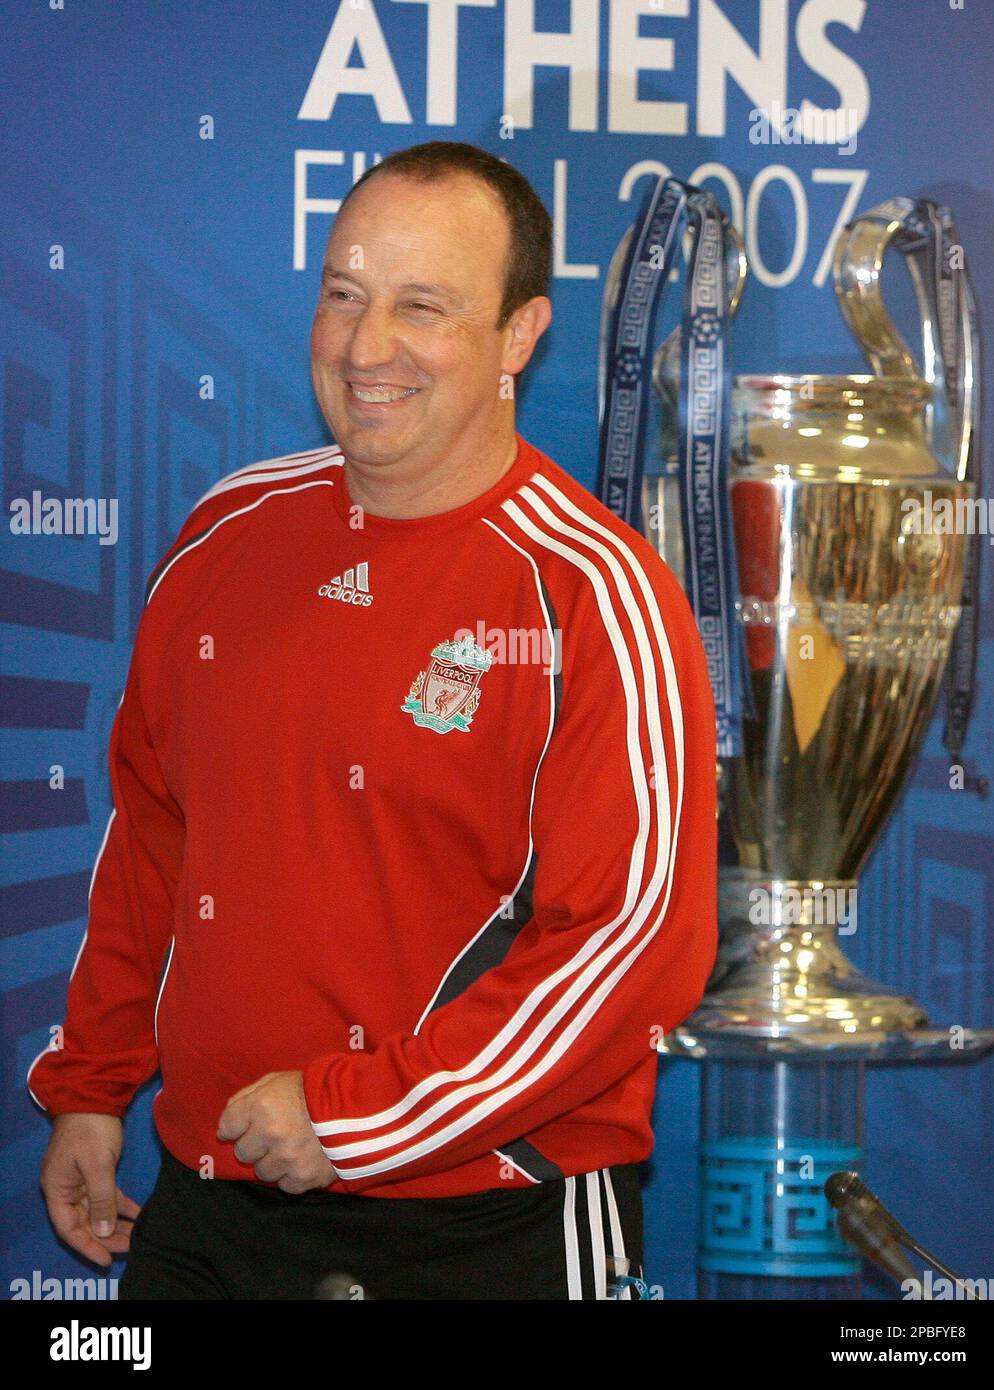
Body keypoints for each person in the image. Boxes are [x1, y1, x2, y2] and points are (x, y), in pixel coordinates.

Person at [27, 141, 718, 1300]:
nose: (363, 346)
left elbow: (625, 952)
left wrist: (360, 1119)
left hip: (482, 1225)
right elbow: (155, 842)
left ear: (518, 337)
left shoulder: (597, 594)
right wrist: (96, 1085)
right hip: (211, 1206)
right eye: (343, 294)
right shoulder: (224, 533)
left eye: (421, 307)